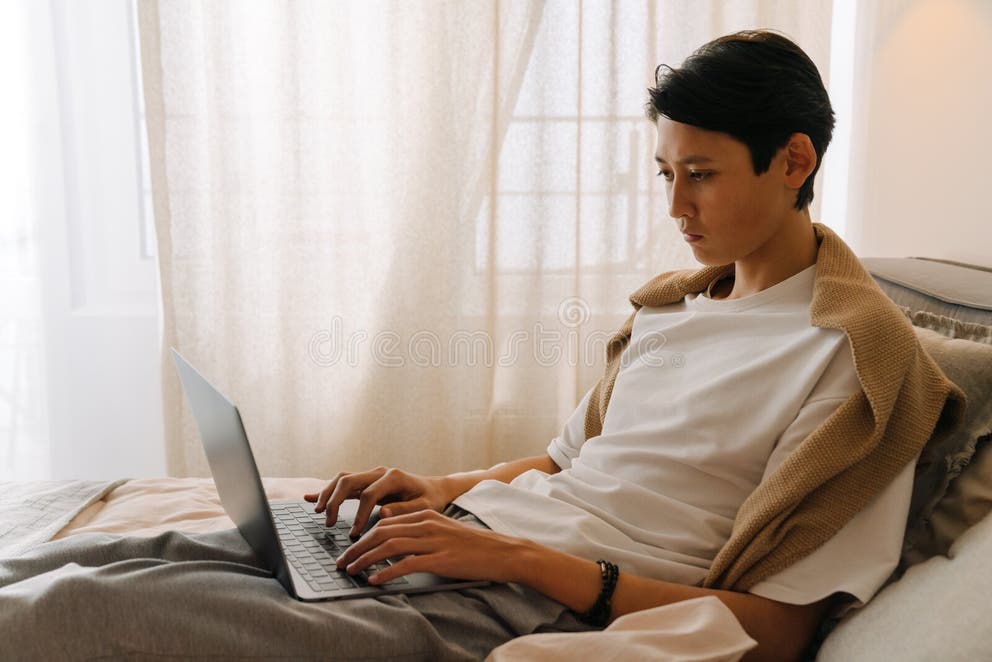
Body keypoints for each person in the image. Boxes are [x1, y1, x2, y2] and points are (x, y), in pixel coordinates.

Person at [0, 30, 962, 662]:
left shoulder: (861, 368)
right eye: (665, 173)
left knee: (65, 615)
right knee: (86, 559)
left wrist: (508, 559)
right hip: (469, 546)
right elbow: (567, 464)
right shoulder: (674, 309)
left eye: (701, 175)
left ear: (793, 161)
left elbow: (781, 631)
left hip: (513, 600)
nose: (675, 206)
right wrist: (438, 490)